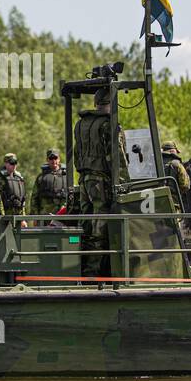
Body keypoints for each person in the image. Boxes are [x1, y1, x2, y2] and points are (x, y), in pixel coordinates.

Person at [73, 86, 128, 275]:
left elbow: (76, 154)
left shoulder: (81, 124)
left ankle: (80, 270)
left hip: (84, 181)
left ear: (96, 103)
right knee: (100, 230)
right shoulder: (108, 125)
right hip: (100, 182)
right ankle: (93, 275)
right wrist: (124, 185)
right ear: (112, 103)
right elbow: (116, 159)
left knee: (85, 228)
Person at [33, 149, 68, 217]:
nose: (53, 160)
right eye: (51, 158)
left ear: (59, 159)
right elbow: (34, 198)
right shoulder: (41, 177)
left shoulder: (66, 176)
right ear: (47, 160)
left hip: (62, 215)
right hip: (44, 215)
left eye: (55, 158)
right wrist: (35, 216)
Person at [0, 153, 27, 217]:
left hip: (18, 215)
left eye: (15, 163)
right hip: (6, 215)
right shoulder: (0, 179)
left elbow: (23, 200)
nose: (14, 165)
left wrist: (23, 217)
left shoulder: (19, 178)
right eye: (11, 163)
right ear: (6, 163)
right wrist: (2, 217)